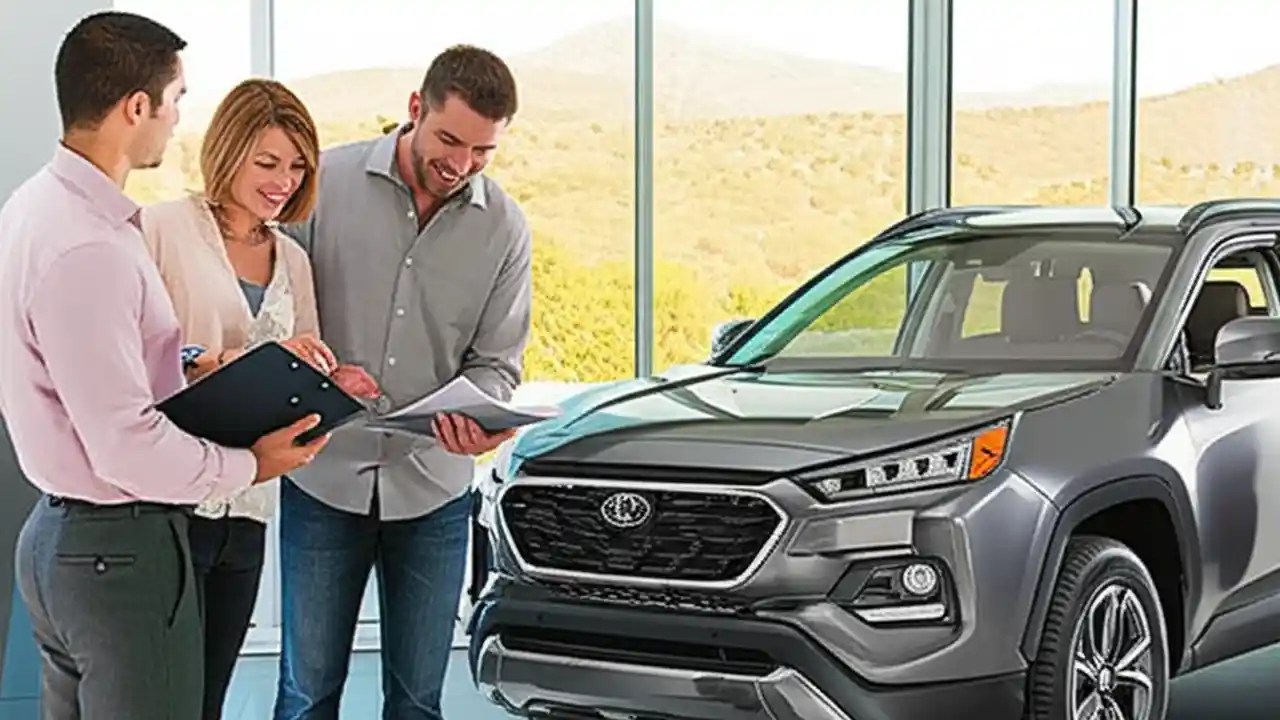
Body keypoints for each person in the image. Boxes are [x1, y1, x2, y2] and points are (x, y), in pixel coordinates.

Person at [0, 11, 330, 719]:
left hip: (66, 540)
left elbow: (96, 361)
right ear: (136, 107)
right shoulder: (91, 245)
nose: (179, 118)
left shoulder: (35, 210)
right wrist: (253, 466)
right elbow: (125, 445)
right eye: (175, 99)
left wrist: (194, 361)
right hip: (117, 549)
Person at [273, 45, 532, 719]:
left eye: (482, 151)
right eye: (449, 139)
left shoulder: (504, 229)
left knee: (418, 702)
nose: (461, 164)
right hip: (322, 476)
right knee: (306, 696)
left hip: (434, 492)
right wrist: (321, 372)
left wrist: (482, 416)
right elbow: (273, 319)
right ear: (415, 109)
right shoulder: (322, 184)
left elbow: (497, 361)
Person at [139, 77, 380, 719]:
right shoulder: (161, 229)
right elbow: (129, 355)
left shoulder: (294, 261)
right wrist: (210, 362)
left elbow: (298, 378)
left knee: (209, 698)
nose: (283, 180)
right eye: (267, 162)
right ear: (228, 150)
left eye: (297, 166)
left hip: (248, 512)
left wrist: (335, 385)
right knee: (158, 700)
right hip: (167, 508)